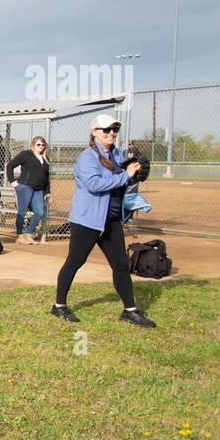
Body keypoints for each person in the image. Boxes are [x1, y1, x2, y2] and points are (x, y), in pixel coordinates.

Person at [52, 115, 154, 327]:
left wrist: (134, 173)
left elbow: (120, 180)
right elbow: (94, 184)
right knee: (75, 261)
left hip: (111, 218)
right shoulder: (87, 158)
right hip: (88, 220)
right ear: (94, 132)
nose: (111, 133)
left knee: (120, 264)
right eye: (106, 129)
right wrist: (126, 175)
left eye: (115, 129)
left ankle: (130, 310)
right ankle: (59, 306)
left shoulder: (116, 154)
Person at [6, 135, 50, 244]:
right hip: (25, 186)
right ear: (33, 145)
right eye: (38, 144)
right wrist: (12, 181)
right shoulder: (26, 154)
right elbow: (10, 165)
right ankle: (20, 236)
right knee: (22, 211)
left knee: (39, 212)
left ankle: (28, 234)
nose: (41, 146)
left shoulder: (44, 158)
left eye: (43, 145)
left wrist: (48, 191)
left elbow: (46, 176)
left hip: (38, 189)